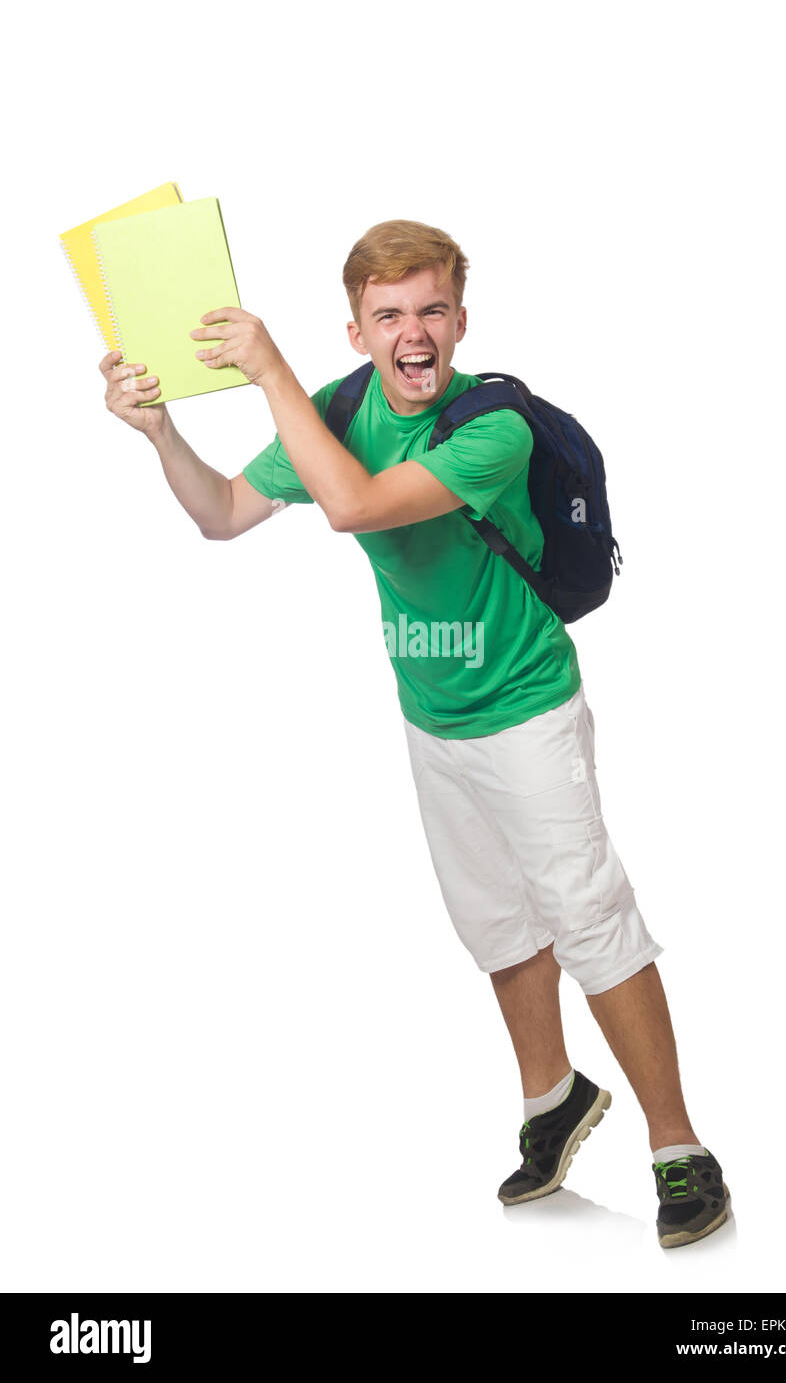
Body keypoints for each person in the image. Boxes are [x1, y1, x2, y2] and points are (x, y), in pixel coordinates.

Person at [100, 218, 730, 1249]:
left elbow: (354, 507)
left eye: (432, 308)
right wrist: (163, 432)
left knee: (590, 917)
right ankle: (551, 1102)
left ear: (461, 319)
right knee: (495, 922)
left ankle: (679, 1146)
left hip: (526, 709)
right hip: (431, 717)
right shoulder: (341, 411)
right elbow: (218, 512)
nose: (414, 332)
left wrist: (269, 371)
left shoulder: (493, 429)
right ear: (357, 332)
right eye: (389, 314)